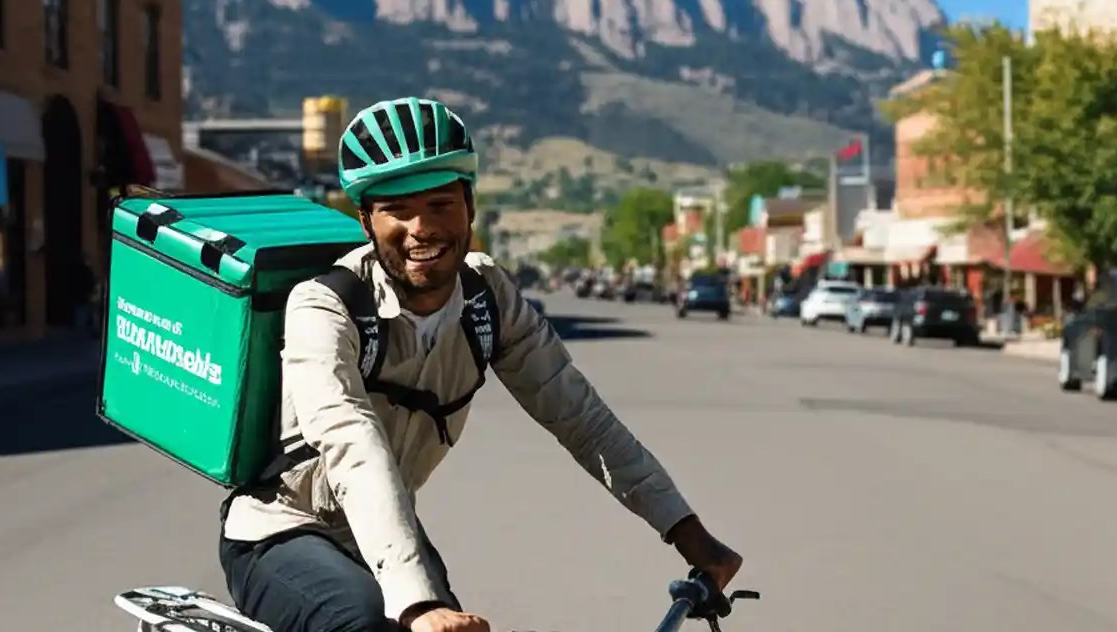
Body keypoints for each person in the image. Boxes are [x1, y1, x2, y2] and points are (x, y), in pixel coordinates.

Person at [218, 97, 742, 632]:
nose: (422, 227)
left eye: (441, 203)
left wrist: (690, 536)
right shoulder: (324, 305)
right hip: (283, 531)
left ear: (469, 206)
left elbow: (584, 421)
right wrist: (418, 605)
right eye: (397, 209)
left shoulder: (485, 298)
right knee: (366, 622)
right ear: (366, 221)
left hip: (383, 536)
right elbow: (354, 445)